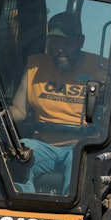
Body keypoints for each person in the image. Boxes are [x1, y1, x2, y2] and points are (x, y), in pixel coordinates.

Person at [9, 12, 104, 192]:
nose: (59, 49)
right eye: (54, 43)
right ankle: (25, 211)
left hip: (79, 145)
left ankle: (72, 218)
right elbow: (19, 111)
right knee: (19, 156)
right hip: (43, 145)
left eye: (67, 43)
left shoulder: (99, 69)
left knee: (79, 165)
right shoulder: (35, 66)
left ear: (80, 41)